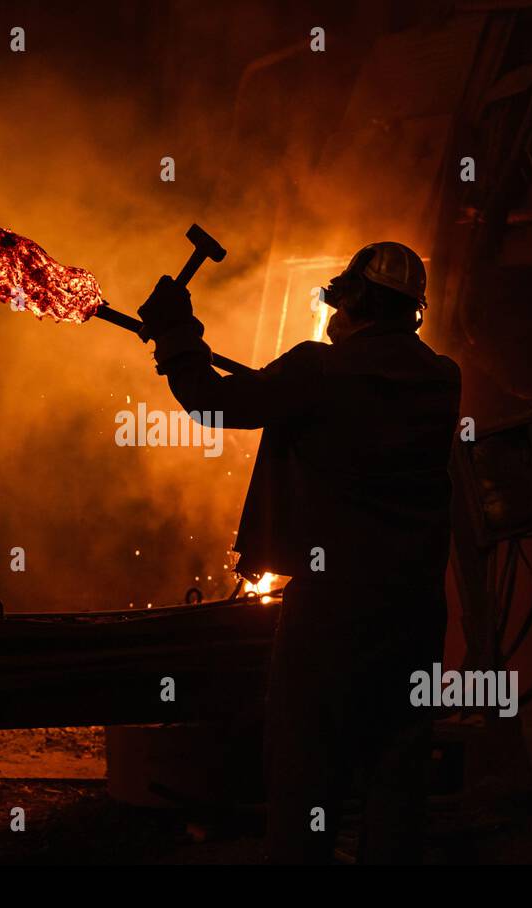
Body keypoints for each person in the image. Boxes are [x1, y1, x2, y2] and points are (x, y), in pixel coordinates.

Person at [138, 242, 461, 863]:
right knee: (396, 766)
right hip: (415, 611)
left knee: (304, 767)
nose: (333, 312)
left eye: (340, 300)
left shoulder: (318, 370)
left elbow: (213, 402)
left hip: (333, 611)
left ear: (358, 302)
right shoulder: (442, 377)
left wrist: (176, 333)